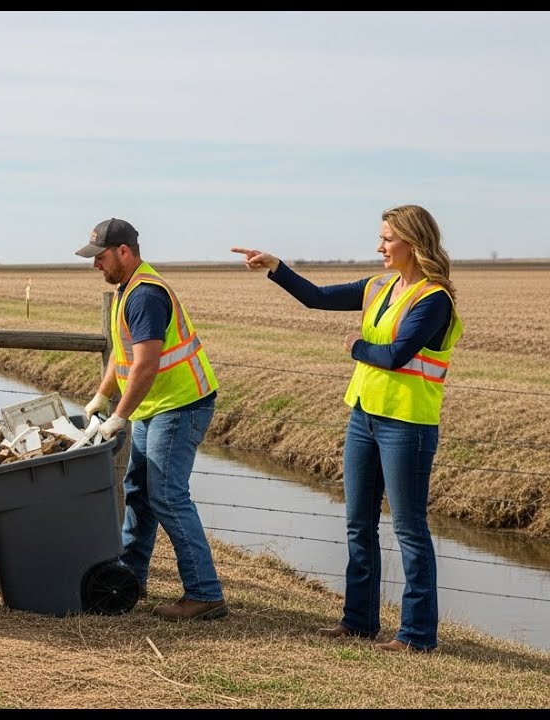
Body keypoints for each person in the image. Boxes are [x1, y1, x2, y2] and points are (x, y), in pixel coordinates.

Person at [231, 204, 462, 653]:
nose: (379, 246)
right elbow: (317, 297)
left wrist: (356, 345)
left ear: (413, 242)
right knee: (359, 524)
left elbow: (394, 355)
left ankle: (416, 636)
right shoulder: (379, 286)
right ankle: (358, 622)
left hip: (407, 425)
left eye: (387, 239)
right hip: (363, 417)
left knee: (409, 530)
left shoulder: (434, 299)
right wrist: (276, 267)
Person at [79, 218, 228, 621]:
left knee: (166, 496)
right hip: (156, 406)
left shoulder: (145, 295)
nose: (95, 265)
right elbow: (123, 352)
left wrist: (118, 416)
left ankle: (204, 594)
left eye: (100, 257)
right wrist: (103, 395)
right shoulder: (128, 289)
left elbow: (145, 365)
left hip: (179, 405)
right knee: (140, 491)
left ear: (123, 252)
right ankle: (130, 578)